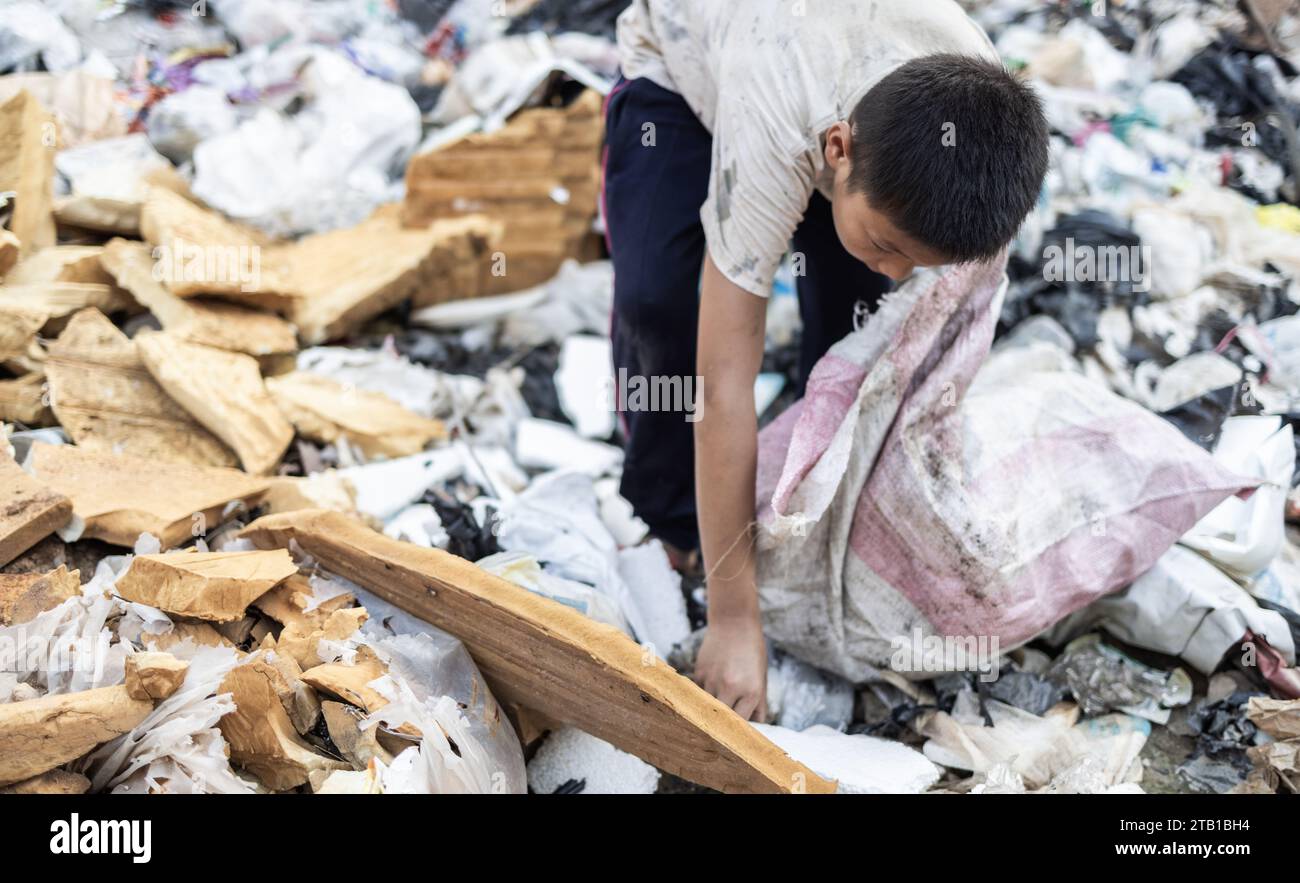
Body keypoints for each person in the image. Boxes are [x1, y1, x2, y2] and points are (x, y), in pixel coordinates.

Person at [602, 0, 1050, 720]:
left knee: (855, 318)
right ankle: (674, 520)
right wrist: (734, 617)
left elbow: (947, 321)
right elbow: (723, 386)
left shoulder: (978, 121)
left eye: (915, 259)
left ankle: (808, 523)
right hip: (685, 74)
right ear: (836, 149)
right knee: (658, 304)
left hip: (846, 131)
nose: (901, 273)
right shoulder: (774, 122)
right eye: (889, 247)